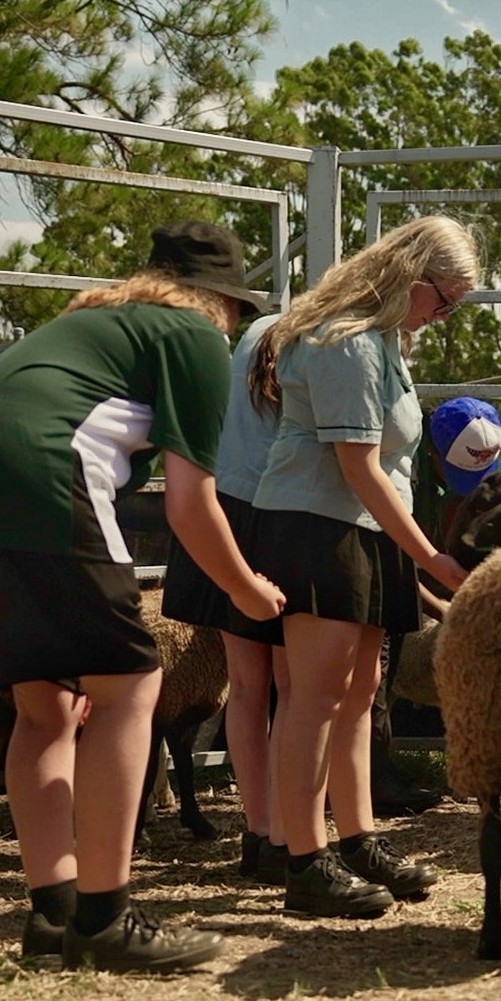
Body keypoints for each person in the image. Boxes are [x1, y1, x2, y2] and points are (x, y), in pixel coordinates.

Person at [0, 221, 286, 972]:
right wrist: (249, 589)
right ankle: (106, 919)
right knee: (133, 682)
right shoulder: (196, 336)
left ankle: (54, 913)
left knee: (44, 704)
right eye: (239, 309)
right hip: (40, 471)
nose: (238, 324)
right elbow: (190, 504)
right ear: (222, 302)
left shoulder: (93, 321)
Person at [245, 215, 477, 917]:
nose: (443, 315)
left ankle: (357, 839)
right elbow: (359, 467)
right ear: (412, 276)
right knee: (314, 697)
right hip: (321, 528)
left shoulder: (381, 341)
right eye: (444, 298)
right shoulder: (346, 343)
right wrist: (433, 558)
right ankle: (304, 861)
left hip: (365, 531)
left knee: (355, 694)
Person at [160, 311, 292, 883]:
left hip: (230, 512)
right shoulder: (313, 344)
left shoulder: (253, 337)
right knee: (293, 693)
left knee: (246, 689)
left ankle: (257, 831)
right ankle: (291, 833)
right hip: (287, 515)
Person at [369, 394, 501, 814]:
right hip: (385, 582)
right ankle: (372, 779)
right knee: (374, 678)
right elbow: (387, 558)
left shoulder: (483, 496)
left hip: (434, 594)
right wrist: (441, 608)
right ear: (431, 449)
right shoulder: (396, 477)